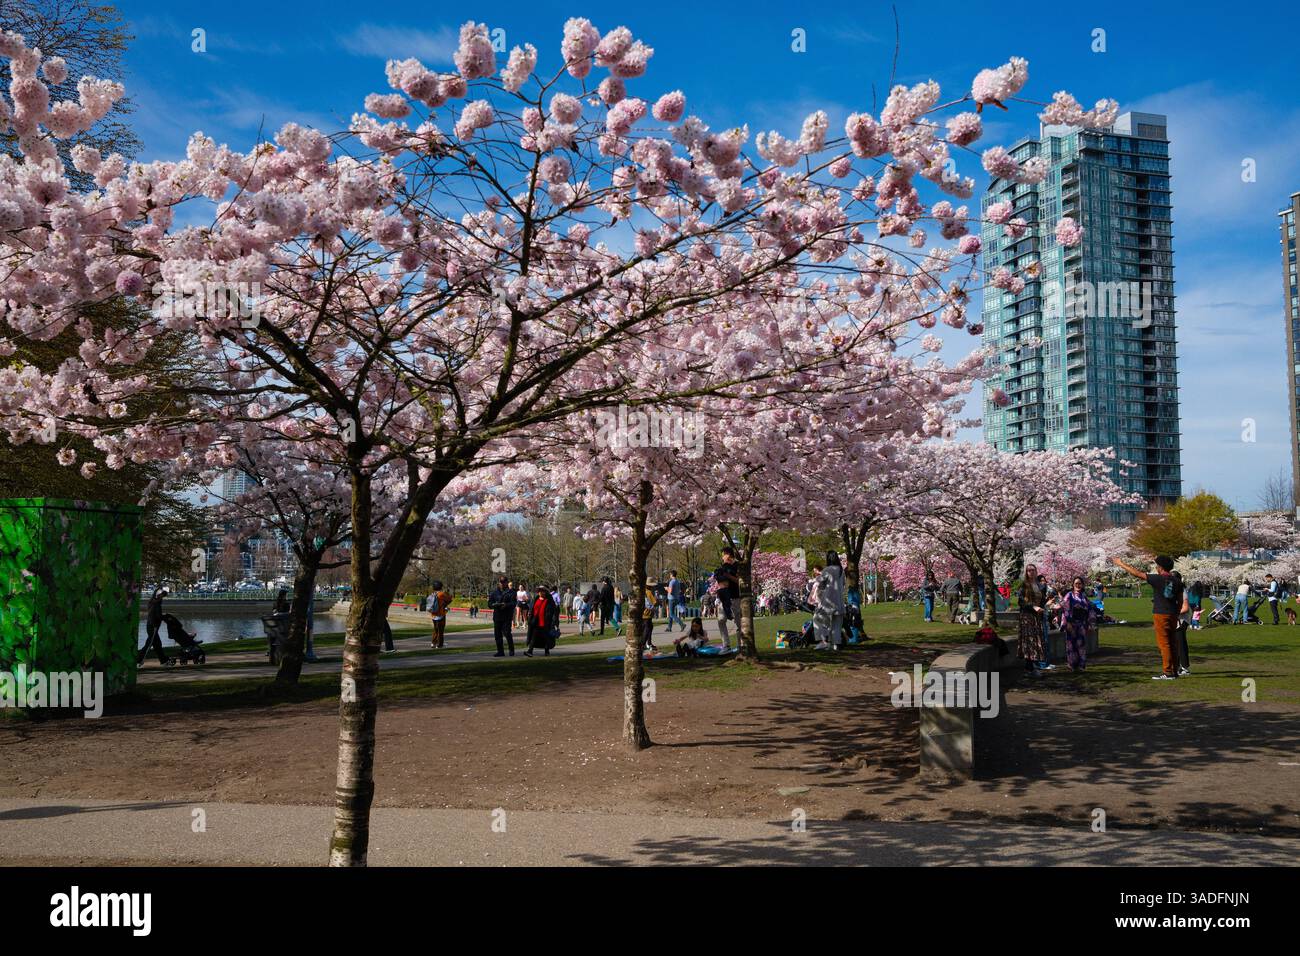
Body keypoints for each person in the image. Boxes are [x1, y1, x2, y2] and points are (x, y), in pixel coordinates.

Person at [1110, 554, 1183, 680]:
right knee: (1173, 643)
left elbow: (1137, 574)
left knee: (1164, 644)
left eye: (1157, 565)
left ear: (1160, 567)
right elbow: (1180, 601)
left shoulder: (1157, 579)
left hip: (1161, 613)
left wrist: (1120, 564)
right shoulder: (1177, 581)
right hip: (1173, 614)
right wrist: (1176, 613)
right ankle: (1175, 670)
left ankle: (1168, 672)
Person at [1058, 576, 1097, 672]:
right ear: (1073, 585)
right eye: (1076, 584)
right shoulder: (1069, 595)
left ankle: (1081, 665)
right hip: (1071, 623)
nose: (1078, 585)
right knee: (1071, 645)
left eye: (1080, 583)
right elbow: (1065, 608)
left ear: (1082, 585)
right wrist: (1068, 622)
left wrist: (1091, 622)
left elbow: (1090, 608)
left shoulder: (1084, 597)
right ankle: (1072, 664)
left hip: (1082, 624)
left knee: (1081, 644)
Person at [1017, 564, 1050, 673]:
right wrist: (1033, 607)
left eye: (1033, 570)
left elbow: (1042, 600)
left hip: (1037, 616)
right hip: (1027, 616)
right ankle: (1029, 666)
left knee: (1036, 639)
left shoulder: (1040, 585)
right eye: (1028, 570)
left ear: (1036, 571)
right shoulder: (1024, 585)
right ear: (1026, 572)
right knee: (1028, 639)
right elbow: (1021, 601)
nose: (1031, 572)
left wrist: (1048, 602)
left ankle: (1033, 665)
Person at [814, 551, 846, 650]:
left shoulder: (827, 570)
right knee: (837, 624)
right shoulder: (841, 570)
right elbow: (843, 583)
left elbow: (819, 583)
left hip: (828, 600)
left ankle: (823, 641)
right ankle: (836, 644)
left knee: (819, 619)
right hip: (839, 601)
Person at [714, 548, 742, 650]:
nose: (722, 557)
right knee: (721, 620)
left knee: (739, 623)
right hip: (724, 597)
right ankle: (726, 644)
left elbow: (740, 581)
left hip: (735, 597)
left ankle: (741, 645)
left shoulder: (737, 566)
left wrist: (728, 576)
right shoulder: (723, 567)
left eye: (723, 555)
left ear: (728, 555)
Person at [138, 586, 170, 666]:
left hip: (151, 626)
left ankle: (163, 660)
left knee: (157, 644)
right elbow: (156, 616)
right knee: (149, 644)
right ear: (158, 595)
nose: (163, 597)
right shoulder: (156, 604)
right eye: (162, 595)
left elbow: (155, 615)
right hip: (153, 627)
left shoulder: (152, 602)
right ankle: (139, 659)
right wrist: (165, 617)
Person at [524, 585, 557, 657]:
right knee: (533, 636)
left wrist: (552, 621)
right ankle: (530, 651)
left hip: (545, 622)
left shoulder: (549, 600)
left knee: (546, 637)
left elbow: (552, 611)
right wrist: (530, 618)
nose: (540, 593)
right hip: (536, 622)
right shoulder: (536, 599)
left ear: (545, 592)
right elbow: (532, 609)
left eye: (541, 591)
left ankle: (547, 651)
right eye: (539, 591)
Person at [488, 576, 516, 657]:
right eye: (501, 582)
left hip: (506, 616)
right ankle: (500, 651)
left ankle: (511, 650)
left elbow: (514, 603)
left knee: (507, 633)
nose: (502, 583)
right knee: (497, 635)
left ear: (507, 582)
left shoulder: (511, 592)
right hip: (497, 616)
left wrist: (506, 605)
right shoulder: (494, 593)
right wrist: (494, 605)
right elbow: (489, 604)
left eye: (504, 582)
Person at [428, 581, 451, 649]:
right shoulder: (442, 594)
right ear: (440, 587)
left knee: (435, 629)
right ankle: (440, 644)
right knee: (441, 630)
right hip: (440, 614)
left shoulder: (432, 594)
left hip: (433, 614)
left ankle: (433, 643)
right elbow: (450, 599)